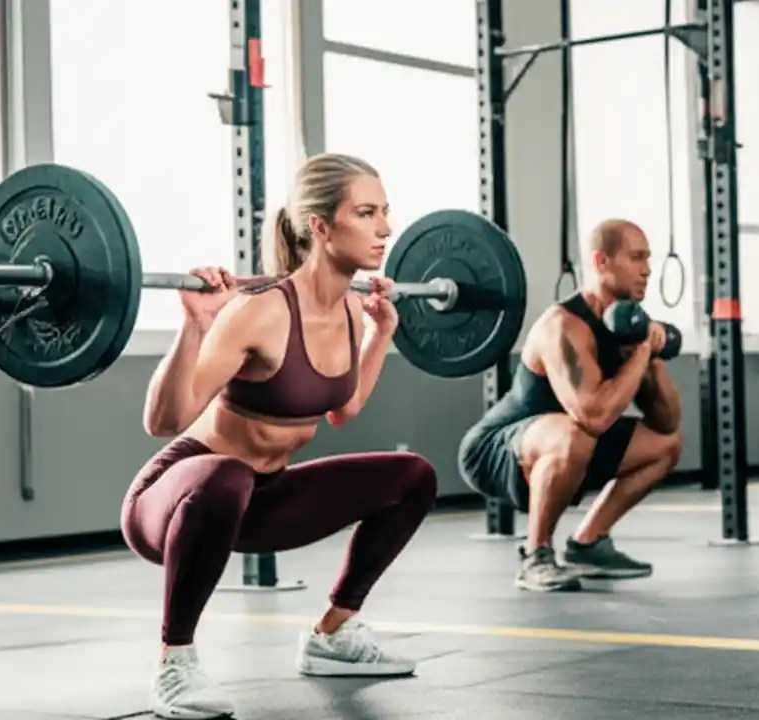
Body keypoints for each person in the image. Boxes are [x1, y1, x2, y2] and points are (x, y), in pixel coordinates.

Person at [125, 153, 438, 720]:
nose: (386, 229)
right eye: (366, 213)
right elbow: (163, 421)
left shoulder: (348, 309)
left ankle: (334, 634)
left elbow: (343, 407)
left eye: (385, 213)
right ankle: (175, 664)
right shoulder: (259, 311)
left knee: (412, 476)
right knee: (227, 474)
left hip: (260, 498)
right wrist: (197, 325)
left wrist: (381, 333)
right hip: (178, 499)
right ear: (320, 226)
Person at [459, 219, 683, 592]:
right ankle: (535, 556)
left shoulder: (629, 329)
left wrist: (648, 355)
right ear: (601, 262)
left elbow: (667, 421)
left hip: (571, 445)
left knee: (666, 445)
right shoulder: (564, 326)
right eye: (636, 257)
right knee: (571, 431)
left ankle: (589, 544)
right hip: (496, 450)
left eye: (648, 259)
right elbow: (593, 416)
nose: (647, 270)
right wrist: (643, 350)